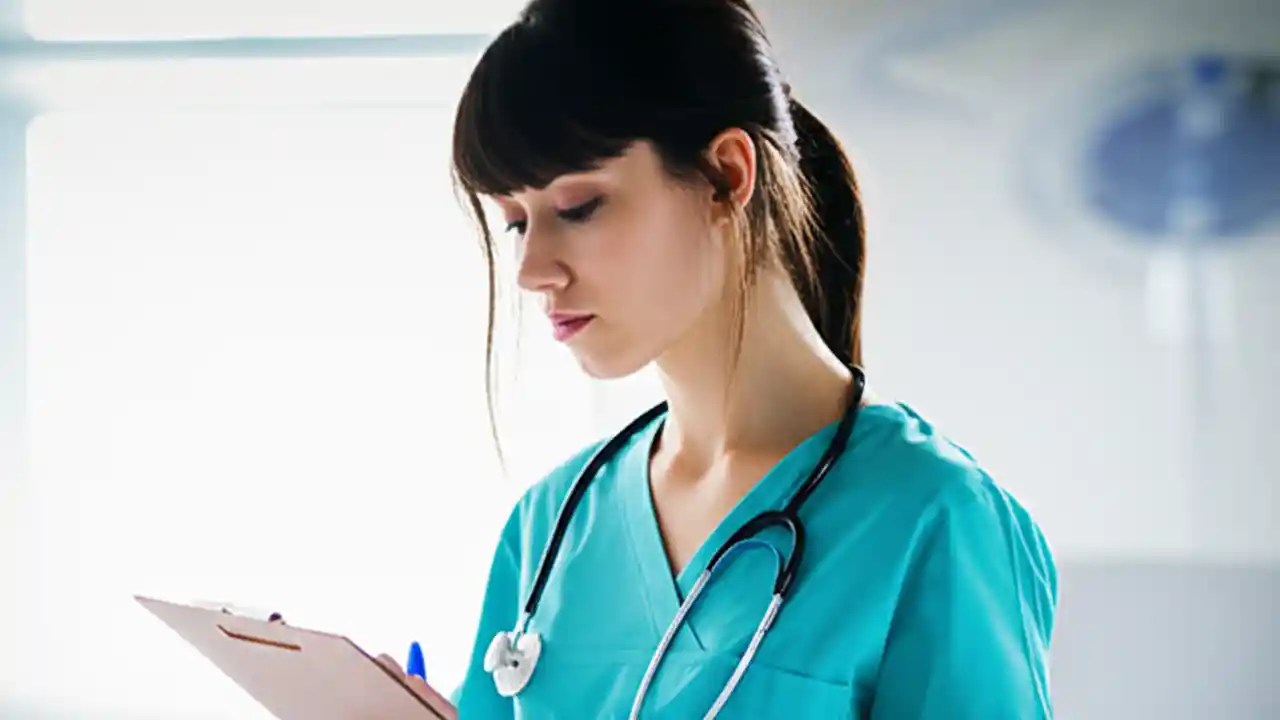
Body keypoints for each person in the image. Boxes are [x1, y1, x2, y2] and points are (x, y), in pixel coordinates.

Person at [383, 0, 1057, 717]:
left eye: (578, 207)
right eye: (516, 222)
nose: (531, 269)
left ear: (727, 175)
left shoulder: (934, 520)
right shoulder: (548, 528)